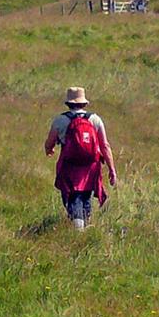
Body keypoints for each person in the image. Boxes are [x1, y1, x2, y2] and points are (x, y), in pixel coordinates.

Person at [44, 86, 116, 229]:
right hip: (91, 166)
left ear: (68, 103)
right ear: (84, 103)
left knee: (72, 195)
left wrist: (49, 149)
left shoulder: (60, 120)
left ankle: (78, 227)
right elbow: (105, 146)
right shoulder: (95, 119)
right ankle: (84, 222)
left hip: (69, 165)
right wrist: (111, 169)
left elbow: (49, 142)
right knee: (85, 195)